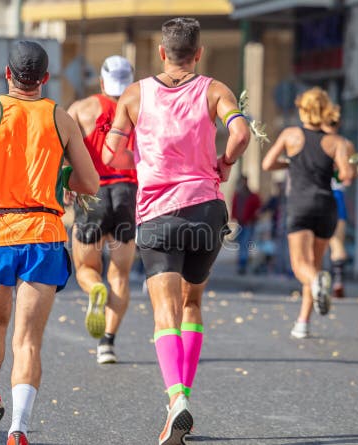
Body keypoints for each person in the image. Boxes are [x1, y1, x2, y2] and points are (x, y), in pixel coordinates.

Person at [103, 18, 254, 445]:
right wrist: (224, 163)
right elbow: (241, 132)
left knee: (164, 311)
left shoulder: (134, 94)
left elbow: (113, 151)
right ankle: (184, 397)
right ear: (199, 53)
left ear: (162, 52)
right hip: (206, 209)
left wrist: (140, 159)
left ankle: (176, 400)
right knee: (193, 302)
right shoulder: (214, 89)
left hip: (157, 213)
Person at [0, 40, 99, 445]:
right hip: (43, 234)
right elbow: (90, 182)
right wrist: (61, 179)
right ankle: (18, 429)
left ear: (7, 75)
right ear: (45, 80)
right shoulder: (61, 117)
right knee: (28, 340)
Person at [262, 88, 354, 339]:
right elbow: (347, 175)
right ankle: (303, 322)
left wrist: (292, 162)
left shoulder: (291, 135)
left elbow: (267, 163)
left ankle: (316, 286)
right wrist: (334, 166)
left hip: (300, 205)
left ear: (302, 109)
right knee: (314, 265)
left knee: (302, 266)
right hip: (326, 206)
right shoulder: (337, 142)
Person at [66, 55, 138, 364]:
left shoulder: (81, 109)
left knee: (85, 267)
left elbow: (62, 151)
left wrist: (68, 184)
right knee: (120, 273)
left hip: (92, 193)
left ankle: (95, 289)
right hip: (127, 192)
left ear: (101, 82)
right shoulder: (141, 109)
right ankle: (107, 343)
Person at [322, 103, 355, 299]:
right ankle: (338, 279)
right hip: (338, 194)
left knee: (315, 245)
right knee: (337, 243)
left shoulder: (316, 141)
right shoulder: (346, 144)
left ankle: (316, 282)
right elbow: (350, 175)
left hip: (316, 193)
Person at [231, 176, 262, 274]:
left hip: (249, 223)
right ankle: (242, 263)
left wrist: (253, 218)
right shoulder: (237, 195)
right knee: (241, 244)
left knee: (245, 243)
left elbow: (258, 208)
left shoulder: (252, 196)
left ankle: (243, 264)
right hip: (240, 223)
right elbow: (234, 207)